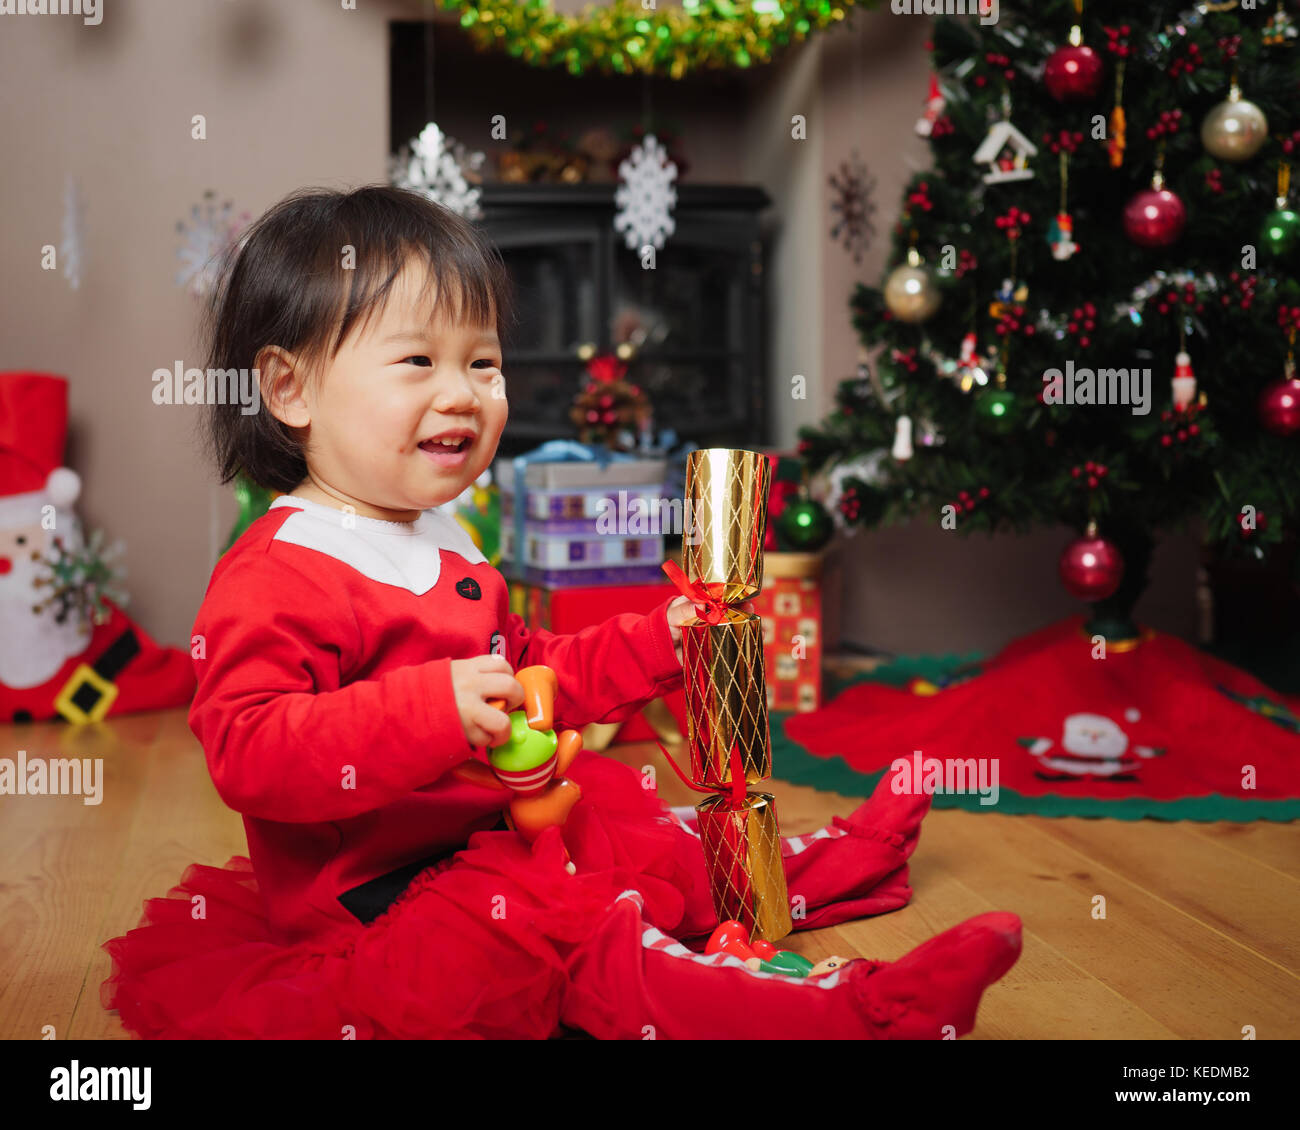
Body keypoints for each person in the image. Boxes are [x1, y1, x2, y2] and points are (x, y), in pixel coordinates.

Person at [100, 185, 1021, 1039]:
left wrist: (660, 643)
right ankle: (857, 1010)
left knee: (665, 840)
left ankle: (837, 864)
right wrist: (433, 710)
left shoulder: (447, 542)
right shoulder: (279, 570)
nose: (462, 391)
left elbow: (539, 673)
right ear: (291, 389)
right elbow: (250, 750)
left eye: (485, 362)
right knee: (601, 946)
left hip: (502, 832)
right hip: (392, 896)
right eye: (418, 360)